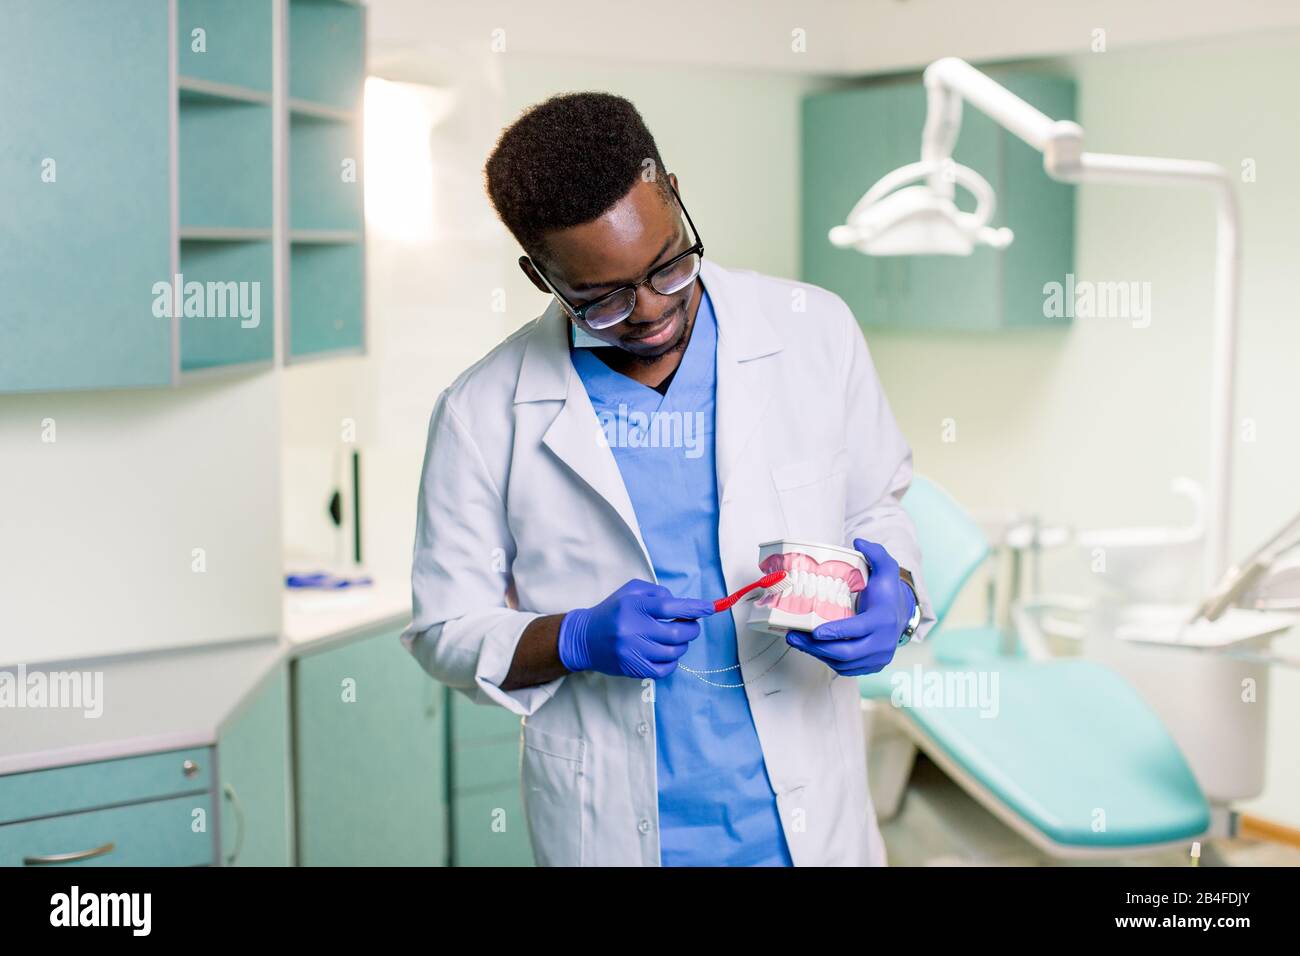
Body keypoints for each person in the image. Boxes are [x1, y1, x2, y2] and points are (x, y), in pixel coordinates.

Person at [402, 92, 932, 866]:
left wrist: (901, 594)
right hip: (617, 831)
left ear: (675, 198)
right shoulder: (483, 412)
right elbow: (443, 630)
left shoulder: (813, 331)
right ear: (539, 275)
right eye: (603, 298)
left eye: (667, 266)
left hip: (812, 824)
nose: (650, 311)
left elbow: (877, 507)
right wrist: (573, 637)